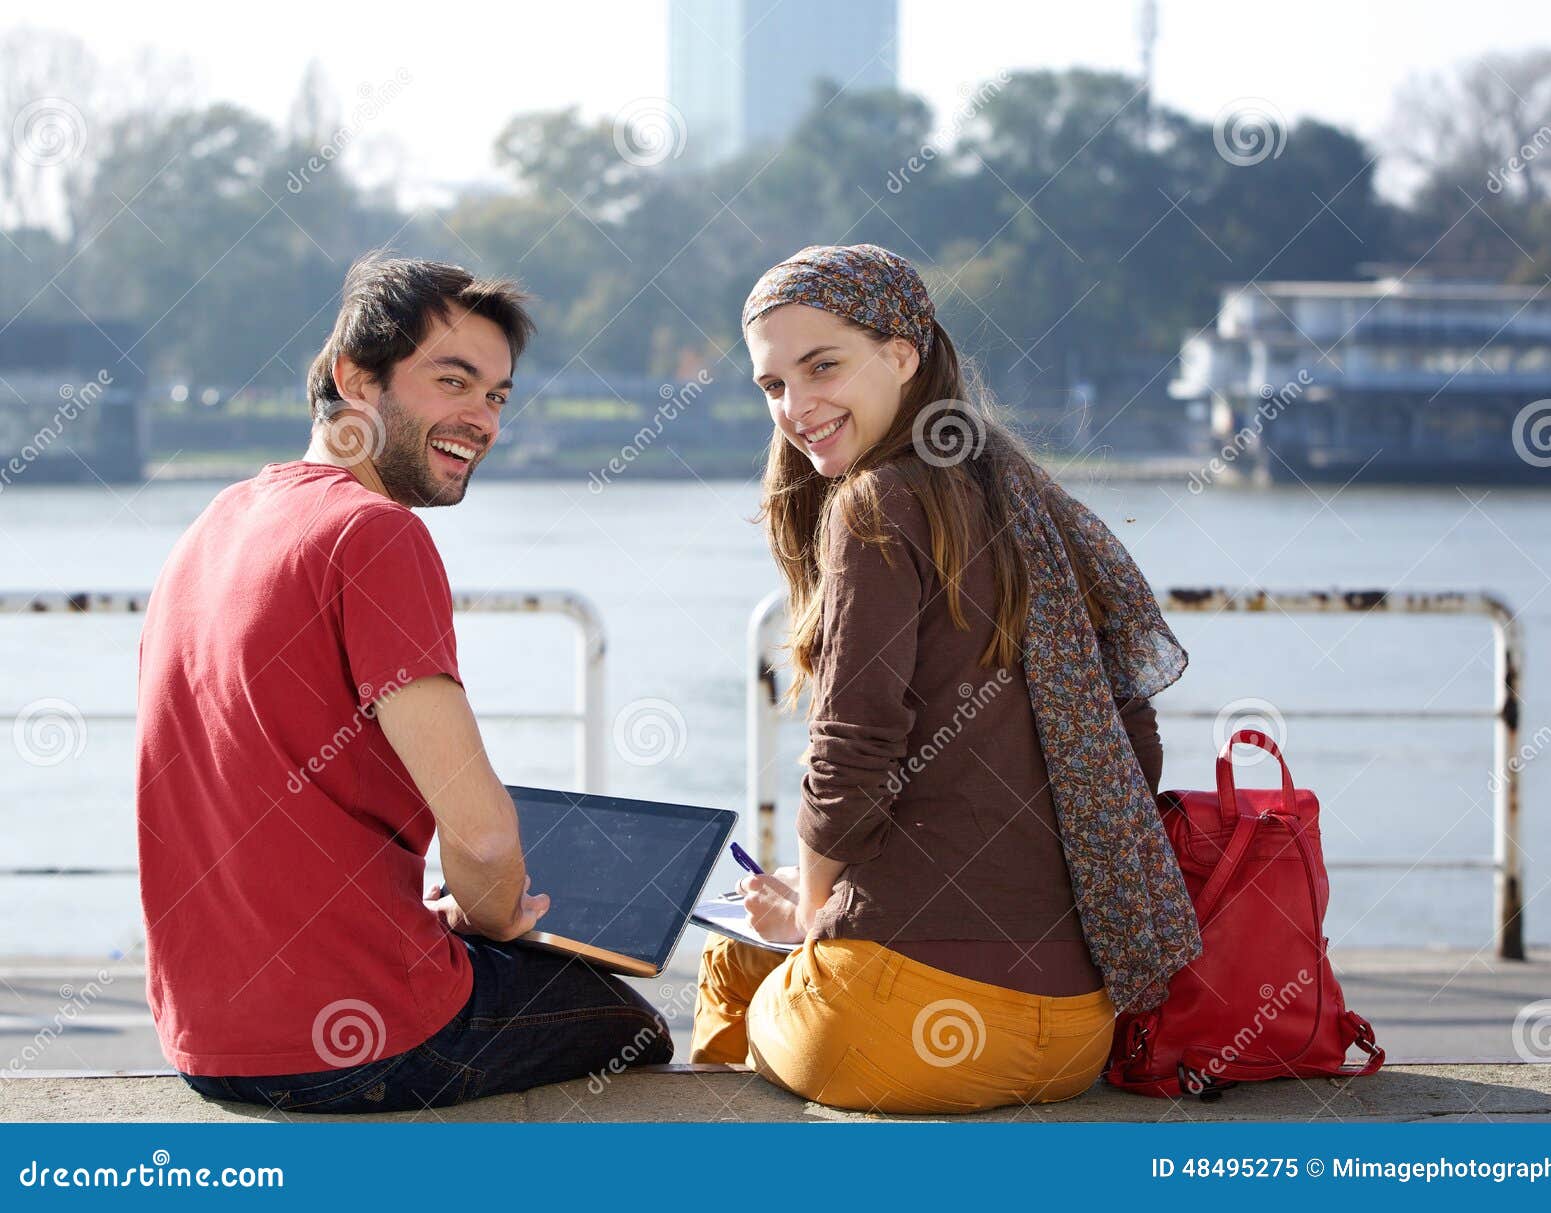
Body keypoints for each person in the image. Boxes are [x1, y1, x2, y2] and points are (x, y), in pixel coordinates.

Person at [135, 253, 672, 1114]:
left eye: (497, 396)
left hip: (205, 1040)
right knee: (634, 1024)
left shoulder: (215, 522)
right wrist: (494, 916)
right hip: (362, 1039)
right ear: (356, 377)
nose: (481, 419)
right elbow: (483, 839)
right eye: (452, 381)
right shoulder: (374, 532)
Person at [690, 243, 1200, 1114]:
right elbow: (1133, 745)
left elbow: (850, 756)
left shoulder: (875, 502)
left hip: (900, 1026)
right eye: (773, 384)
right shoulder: (1030, 500)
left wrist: (812, 915)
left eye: (822, 366)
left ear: (902, 353)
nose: (796, 407)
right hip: (1076, 1033)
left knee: (733, 959)